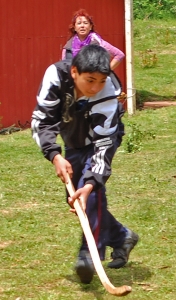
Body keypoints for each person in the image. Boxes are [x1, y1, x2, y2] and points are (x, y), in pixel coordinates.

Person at [32, 44, 139, 283]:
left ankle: (89, 254)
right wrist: (54, 155)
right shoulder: (55, 77)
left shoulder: (108, 89)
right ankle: (122, 236)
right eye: (90, 80)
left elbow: (104, 144)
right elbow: (42, 121)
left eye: (101, 81)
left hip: (101, 141)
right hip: (72, 140)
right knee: (75, 198)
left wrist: (92, 183)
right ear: (74, 72)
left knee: (89, 194)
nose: (95, 88)